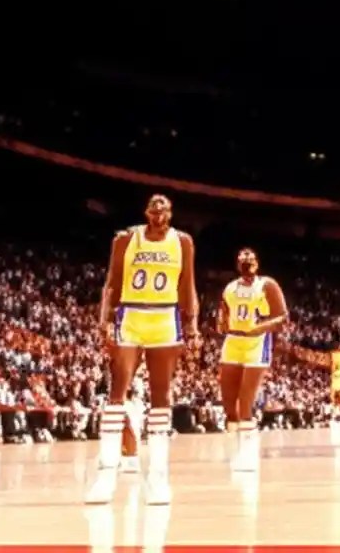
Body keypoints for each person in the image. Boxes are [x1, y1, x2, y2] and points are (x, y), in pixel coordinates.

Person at [87, 194, 199, 505]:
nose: (158, 210)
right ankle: (106, 473)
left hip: (165, 318)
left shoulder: (183, 242)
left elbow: (187, 284)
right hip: (131, 316)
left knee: (162, 396)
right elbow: (112, 282)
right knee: (116, 392)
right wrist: (104, 320)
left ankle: (159, 477)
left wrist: (192, 324)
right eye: (154, 206)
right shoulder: (126, 238)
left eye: (164, 206)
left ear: (171, 213)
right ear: (146, 211)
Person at [218, 248, 288, 471]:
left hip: (257, 342)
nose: (246, 263)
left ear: (257, 263)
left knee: (245, 400)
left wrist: (258, 329)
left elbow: (283, 317)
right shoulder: (230, 287)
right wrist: (220, 320)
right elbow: (224, 312)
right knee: (229, 402)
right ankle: (234, 448)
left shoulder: (267, 285)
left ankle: (247, 453)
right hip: (233, 340)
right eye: (242, 260)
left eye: (250, 260)